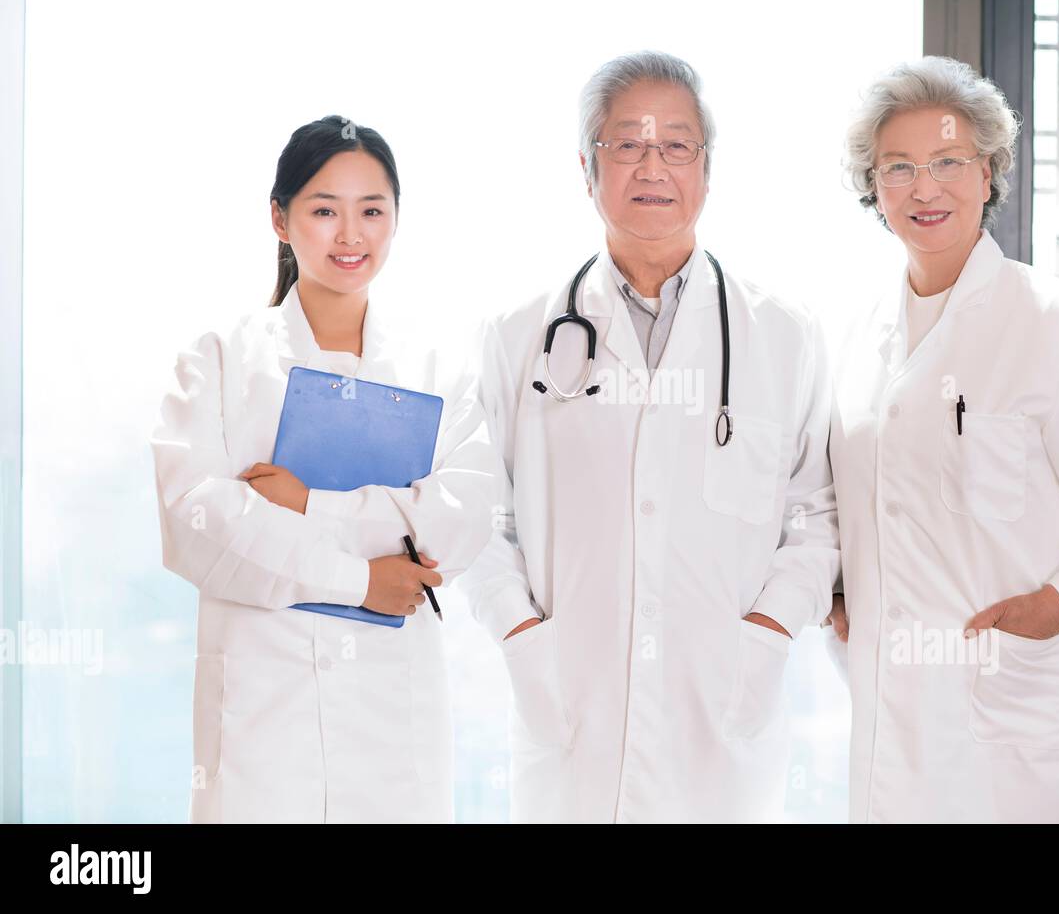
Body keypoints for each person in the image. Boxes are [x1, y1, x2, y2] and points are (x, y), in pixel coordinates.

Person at [461, 51, 839, 822]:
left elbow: (818, 515)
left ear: (707, 167)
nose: (651, 165)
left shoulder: (783, 334)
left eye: (675, 144)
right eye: (626, 144)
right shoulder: (517, 335)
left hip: (724, 717)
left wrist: (764, 636)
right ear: (586, 166)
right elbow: (474, 512)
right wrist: (523, 634)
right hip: (571, 715)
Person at [828, 57, 1059, 822]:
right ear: (875, 188)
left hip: (1012, 723)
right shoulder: (857, 340)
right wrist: (836, 588)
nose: (926, 188)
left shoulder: (1058, 326)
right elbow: (850, 499)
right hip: (889, 718)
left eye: (949, 162)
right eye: (900, 167)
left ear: (988, 174)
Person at [151, 115, 497, 822]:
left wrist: (310, 505)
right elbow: (202, 527)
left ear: (396, 220)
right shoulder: (217, 361)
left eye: (372, 210)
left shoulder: (441, 372)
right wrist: (364, 577)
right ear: (279, 218)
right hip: (262, 728)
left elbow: (459, 522)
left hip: (391, 727)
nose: (351, 235)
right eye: (323, 210)